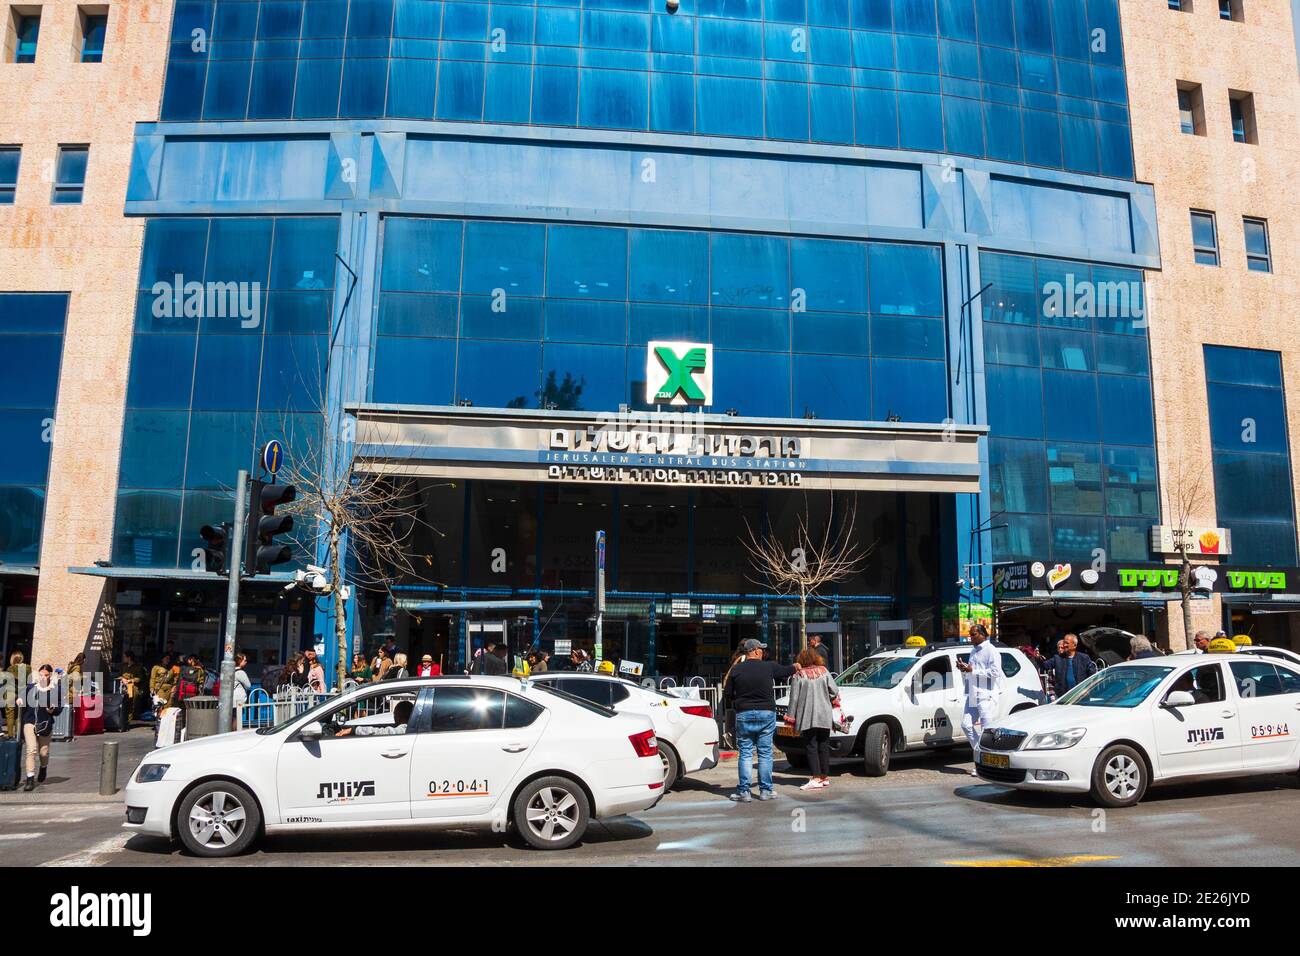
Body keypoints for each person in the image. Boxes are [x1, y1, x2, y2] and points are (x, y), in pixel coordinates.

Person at [722, 639, 800, 802]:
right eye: (761, 649)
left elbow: (727, 693)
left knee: (745, 753)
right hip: (766, 713)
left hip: (744, 713)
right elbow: (786, 671)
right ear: (755, 651)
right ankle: (766, 791)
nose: (763, 652)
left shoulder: (737, 669)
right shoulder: (768, 666)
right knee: (765, 753)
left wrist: (738, 702)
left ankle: (744, 792)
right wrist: (796, 666)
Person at [786, 646, 839, 791]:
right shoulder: (824, 671)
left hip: (808, 716)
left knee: (811, 746)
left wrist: (790, 717)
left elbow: (794, 699)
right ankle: (824, 777)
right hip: (825, 714)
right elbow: (834, 690)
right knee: (823, 745)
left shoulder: (799, 676)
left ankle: (815, 777)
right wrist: (831, 700)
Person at [955, 623, 1002, 776]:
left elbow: (995, 673)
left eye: (974, 634)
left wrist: (973, 670)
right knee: (966, 725)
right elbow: (972, 670)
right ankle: (981, 757)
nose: (971, 637)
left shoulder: (991, 651)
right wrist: (964, 668)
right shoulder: (973, 650)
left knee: (986, 731)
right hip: (973, 693)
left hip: (986, 695)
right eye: (970, 634)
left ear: (983, 634)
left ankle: (987, 764)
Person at [20, 665, 62, 791]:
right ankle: (30, 778)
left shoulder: (55, 690)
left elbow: (59, 709)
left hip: (45, 722)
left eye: (46, 675)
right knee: (31, 750)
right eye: (41, 674)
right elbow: (21, 698)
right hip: (30, 721)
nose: (43, 677)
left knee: (43, 751)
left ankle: (43, 767)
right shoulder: (30, 687)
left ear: (50, 675)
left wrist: (52, 710)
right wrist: (19, 700)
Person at [1046, 633, 1096, 699]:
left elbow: (1093, 675)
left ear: (1074, 645)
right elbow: (1044, 665)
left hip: (1081, 696)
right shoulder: (1057, 658)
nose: (1064, 645)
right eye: (1064, 643)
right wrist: (1038, 658)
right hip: (1063, 697)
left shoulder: (1084, 658)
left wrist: (1088, 689)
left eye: (1067, 643)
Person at [336, 700, 414, 737]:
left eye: (395, 714)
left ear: (399, 716)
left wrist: (354, 730)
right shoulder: (410, 729)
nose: (394, 717)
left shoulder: (404, 730)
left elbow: (381, 732)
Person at [4, 650, 26, 738]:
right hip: (20, 694)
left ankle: (10, 735)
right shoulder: (24, 669)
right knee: (18, 715)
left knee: (10, 715)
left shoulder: (10, 669)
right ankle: (18, 734)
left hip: (10, 693)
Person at [119, 652, 145, 720]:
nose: (123, 658)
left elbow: (140, 678)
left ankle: (128, 720)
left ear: (129, 658)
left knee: (130, 703)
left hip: (132, 687)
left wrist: (130, 680)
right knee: (121, 702)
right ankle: (122, 719)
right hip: (123, 687)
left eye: (125, 657)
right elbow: (119, 675)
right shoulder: (123, 666)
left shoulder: (137, 667)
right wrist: (122, 678)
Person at [231, 652, 252, 729]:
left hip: (231, 699)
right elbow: (248, 685)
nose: (246, 662)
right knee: (237, 719)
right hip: (238, 699)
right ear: (240, 661)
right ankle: (234, 735)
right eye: (244, 660)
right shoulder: (240, 672)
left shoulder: (230, 671)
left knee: (232, 718)